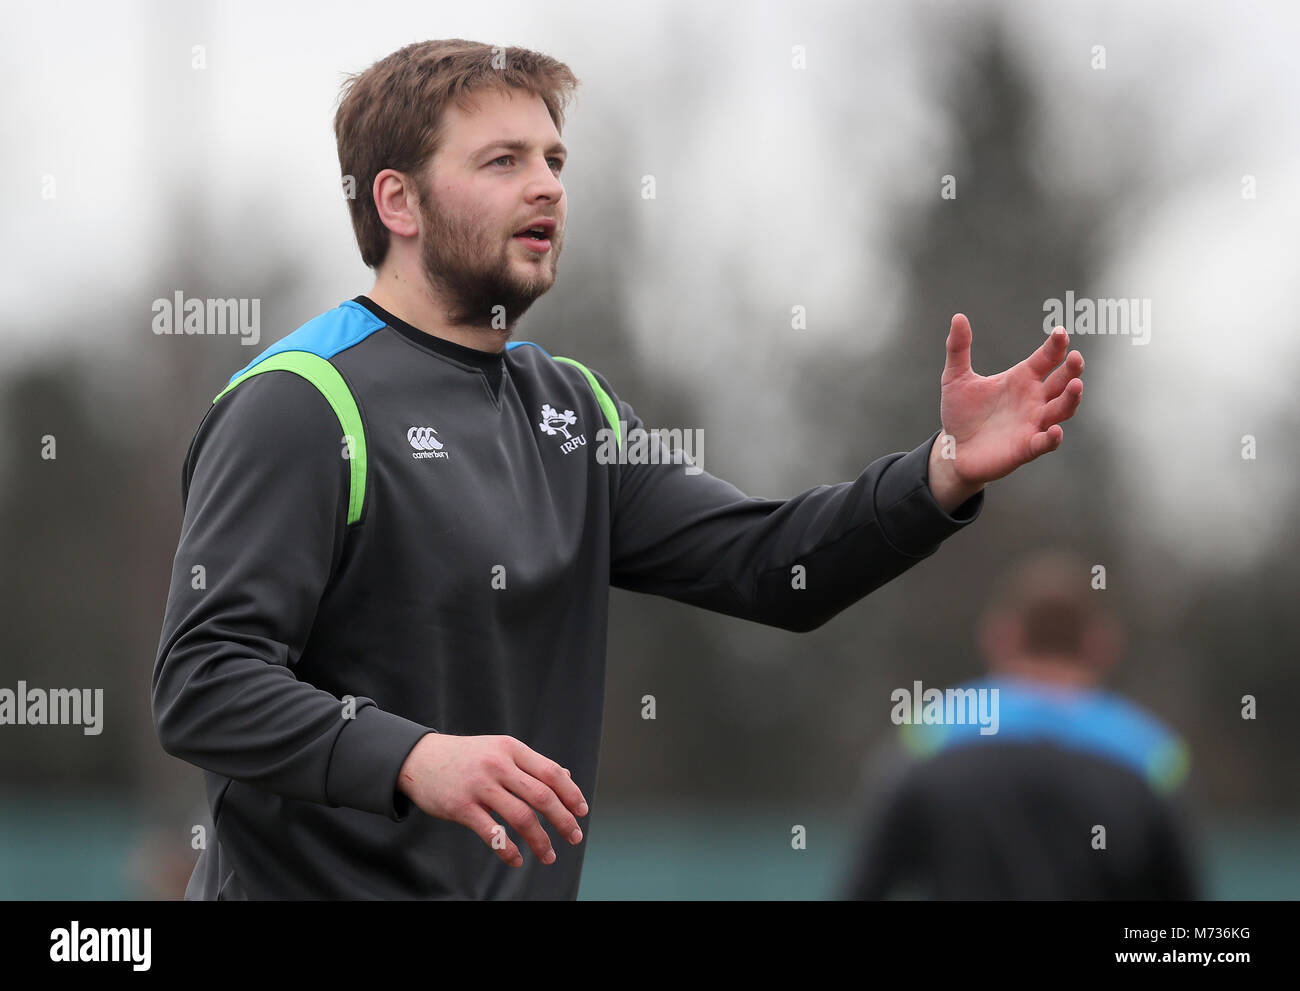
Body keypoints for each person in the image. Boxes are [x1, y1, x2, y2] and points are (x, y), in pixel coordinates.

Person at [151, 39, 1085, 900]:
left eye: (555, 161)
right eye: (503, 161)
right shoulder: (302, 404)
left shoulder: (571, 409)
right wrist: (414, 756)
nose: (547, 187)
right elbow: (203, 681)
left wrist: (942, 473)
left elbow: (772, 564)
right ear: (397, 201)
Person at [839, 551, 1200, 900]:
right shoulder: (1150, 754)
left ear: (1001, 636)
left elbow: (863, 888)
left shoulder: (931, 736)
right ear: (1100, 644)